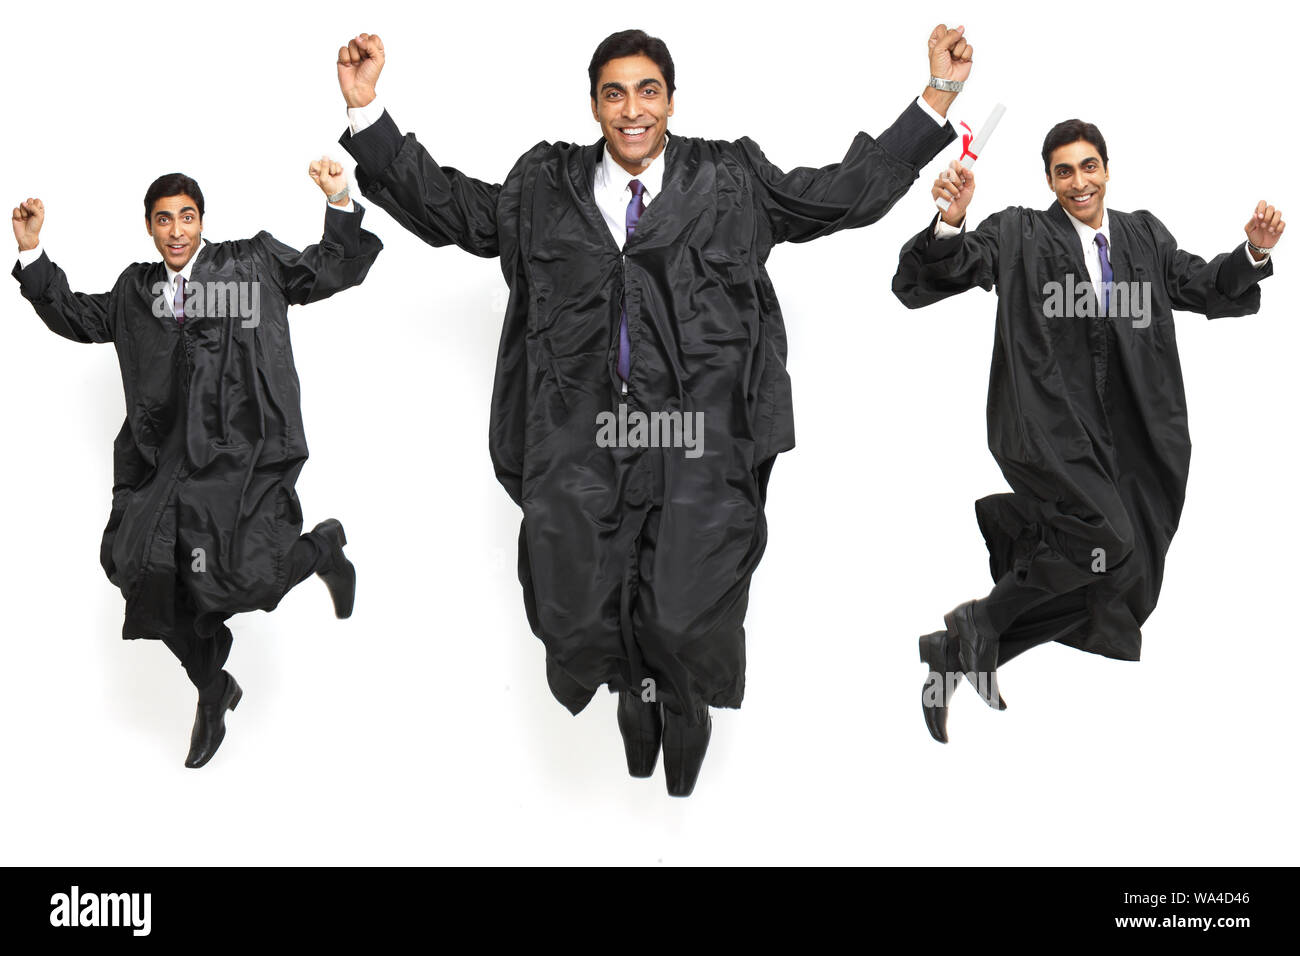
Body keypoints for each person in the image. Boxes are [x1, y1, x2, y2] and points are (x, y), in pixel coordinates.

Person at [335, 26, 969, 795]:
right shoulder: (546, 184)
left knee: (681, 605)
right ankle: (633, 690)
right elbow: (453, 211)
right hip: (579, 434)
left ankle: (680, 696)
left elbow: (836, 196)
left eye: (647, 90)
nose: (632, 110)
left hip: (695, 435)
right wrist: (369, 115)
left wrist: (936, 96)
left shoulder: (729, 176)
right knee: (578, 607)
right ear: (594, 105)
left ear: (670, 98)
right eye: (614, 93)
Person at [892, 119, 1283, 742]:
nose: (1079, 181)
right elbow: (946, 270)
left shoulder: (1142, 236)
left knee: (1114, 572)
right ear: (1049, 179)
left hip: (1130, 431)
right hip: (1048, 422)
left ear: (1107, 168)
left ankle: (956, 650)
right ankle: (977, 621)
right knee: (1106, 535)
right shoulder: (1020, 232)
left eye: (1089, 166)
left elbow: (1203, 285)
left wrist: (1252, 254)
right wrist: (951, 222)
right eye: (1064, 171)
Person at [10, 158, 382, 767]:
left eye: (187, 216)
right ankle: (214, 687)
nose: (177, 230)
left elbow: (328, 270)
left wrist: (340, 198)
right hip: (168, 462)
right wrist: (33, 255)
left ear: (202, 221)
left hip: (242, 454)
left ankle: (322, 549)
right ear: (150, 229)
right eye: (164, 220)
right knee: (139, 567)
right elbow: (78, 317)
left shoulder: (250, 265)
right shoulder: (138, 291)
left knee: (249, 577)